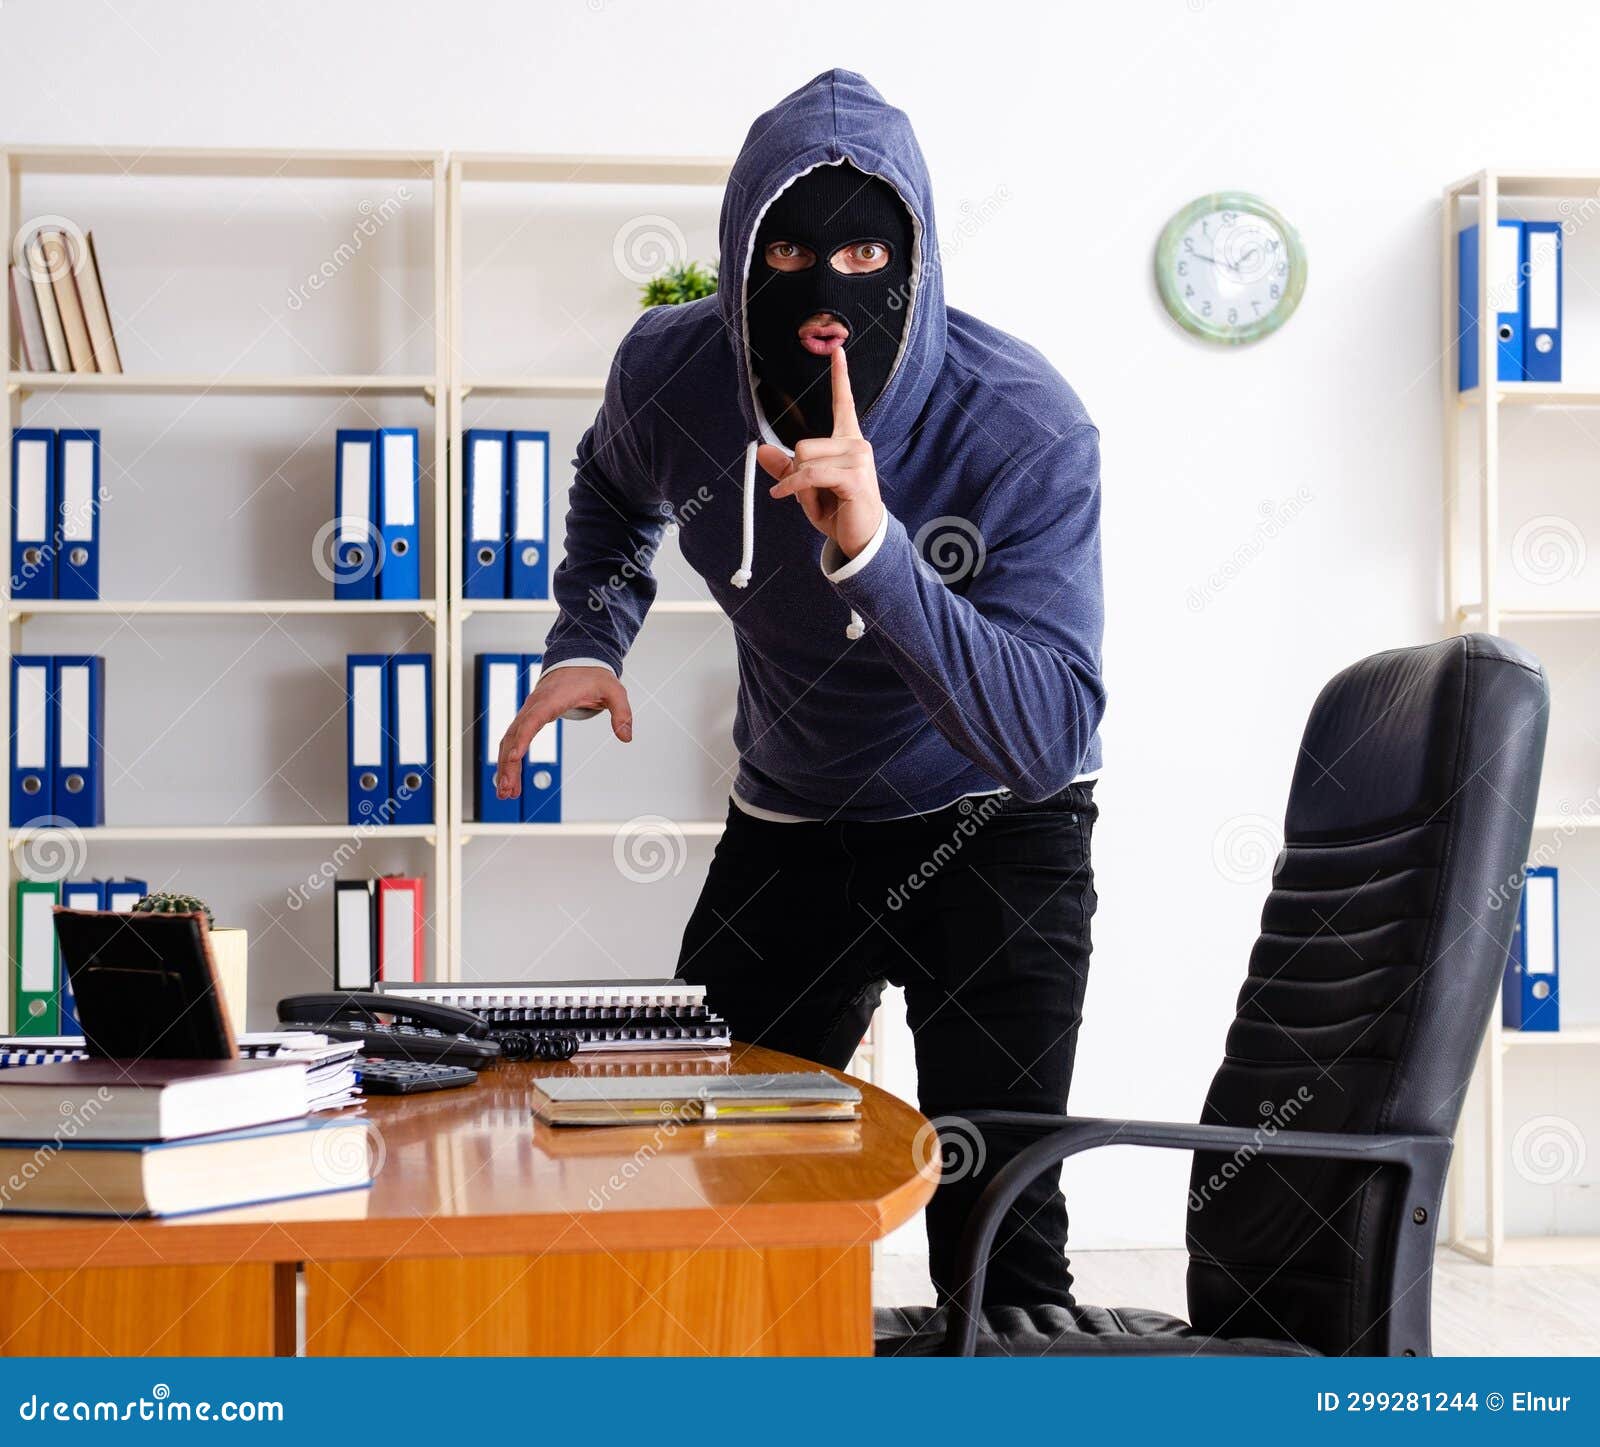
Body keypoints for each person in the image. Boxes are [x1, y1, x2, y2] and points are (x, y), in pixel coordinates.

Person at [496, 69, 1104, 1310]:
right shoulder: (673, 372)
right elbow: (616, 490)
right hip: (792, 821)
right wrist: (584, 640)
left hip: (991, 822)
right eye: (787, 251)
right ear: (736, 255)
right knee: (701, 1177)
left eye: (869, 250)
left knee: (1000, 1230)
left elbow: (1049, 733)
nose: (828, 302)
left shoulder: (1024, 423)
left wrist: (876, 551)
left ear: (919, 261)